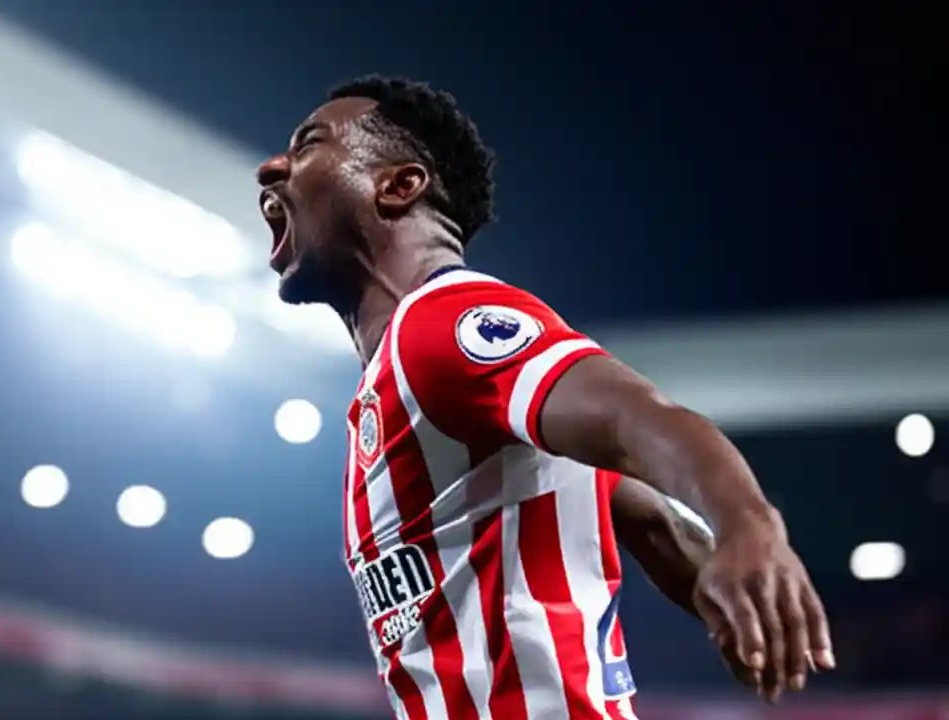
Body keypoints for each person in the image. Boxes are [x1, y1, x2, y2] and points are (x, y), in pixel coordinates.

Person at [256, 75, 834, 719]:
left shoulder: (445, 322)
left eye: (309, 144)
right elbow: (655, 521)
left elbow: (633, 416)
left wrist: (749, 528)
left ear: (398, 186)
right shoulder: (405, 385)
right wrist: (731, 596)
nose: (272, 167)